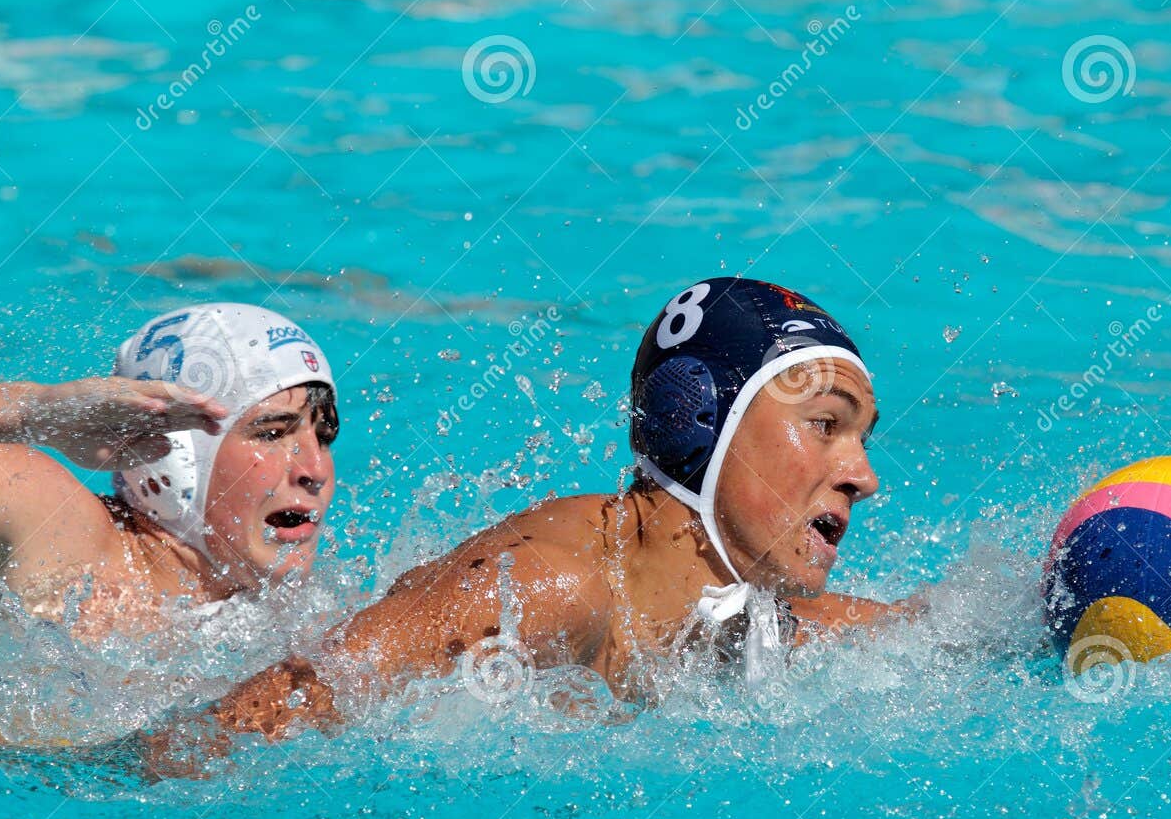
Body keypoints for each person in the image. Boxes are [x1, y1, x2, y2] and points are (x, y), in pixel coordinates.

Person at [147, 278, 923, 770]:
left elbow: (916, 632)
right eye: (826, 424)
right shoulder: (543, 585)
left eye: (862, 438)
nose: (864, 475)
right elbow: (243, 725)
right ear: (699, 424)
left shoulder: (751, 614)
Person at [0, 303, 340, 650]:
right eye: (272, 434)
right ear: (179, 453)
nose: (314, 470)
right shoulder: (51, 527)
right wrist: (34, 412)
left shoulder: (286, 620)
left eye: (324, 437)